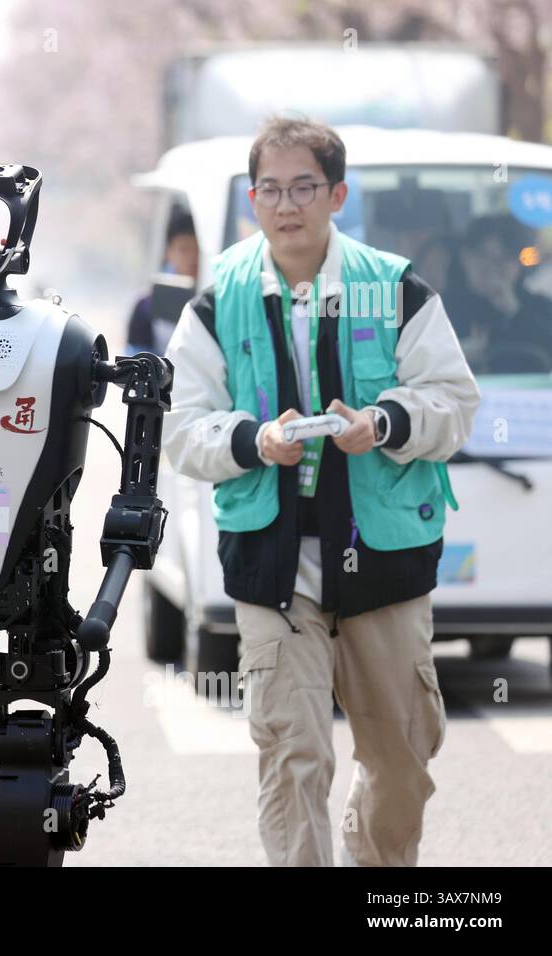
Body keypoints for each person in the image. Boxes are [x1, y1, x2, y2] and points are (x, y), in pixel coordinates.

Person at [163, 116, 480, 866]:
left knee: (401, 764)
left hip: (383, 557)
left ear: (337, 194)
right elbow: (181, 426)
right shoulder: (217, 301)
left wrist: (384, 421)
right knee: (292, 753)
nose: (285, 204)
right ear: (251, 199)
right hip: (273, 565)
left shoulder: (395, 287)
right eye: (269, 188)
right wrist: (251, 440)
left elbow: (455, 403)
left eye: (304, 186)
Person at [445, 215, 552, 374]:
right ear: (464, 258)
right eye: (482, 255)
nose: (492, 268)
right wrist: (456, 354)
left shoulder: (539, 308)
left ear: (518, 264)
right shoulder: (440, 309)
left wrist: (515, 311)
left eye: (504, 258)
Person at [126, 209, 199, 355]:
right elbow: (136, 361)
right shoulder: (147, 306)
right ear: (168, 252)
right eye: (184, 249)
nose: (193, 257)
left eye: (198, 249)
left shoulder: (220, 300)